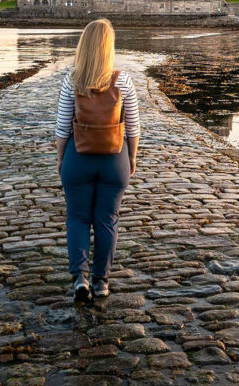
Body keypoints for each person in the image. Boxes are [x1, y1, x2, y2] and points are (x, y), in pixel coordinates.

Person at [54, 19, 140, 302]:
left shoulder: (72, 79)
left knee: (77, 218)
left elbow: (62, 128)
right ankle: (101, 281)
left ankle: (80, 279)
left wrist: (60, 160)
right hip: (114, 161)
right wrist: (131, 158)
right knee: (107, 220)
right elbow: (134, 128)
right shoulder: (123, 80)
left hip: (78, 157)